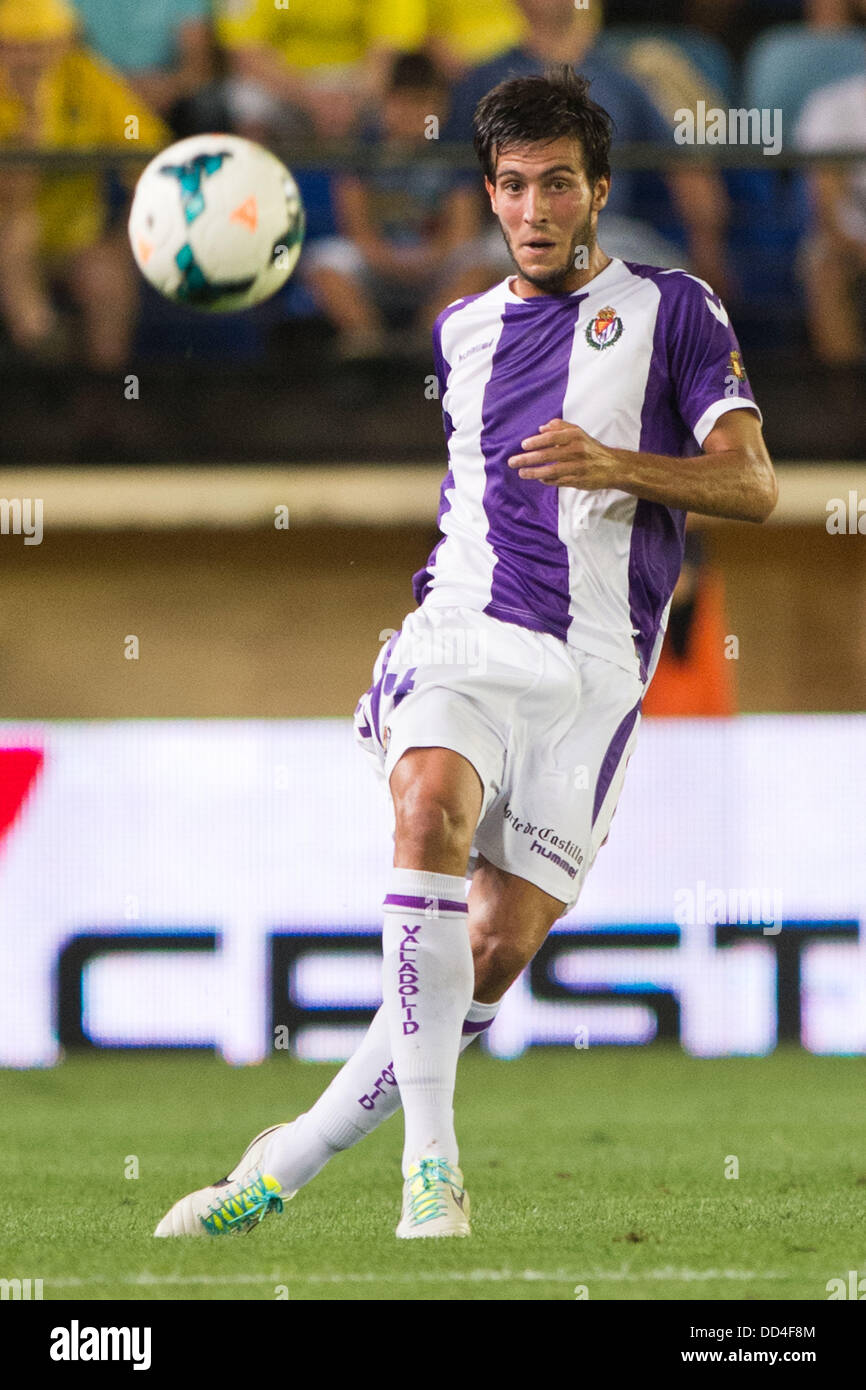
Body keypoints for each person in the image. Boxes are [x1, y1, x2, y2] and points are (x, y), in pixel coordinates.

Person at [154, 65, 777, 1241]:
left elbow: (750, 483)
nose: (533, 209)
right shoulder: (462, 327)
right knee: (428, 804)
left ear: (595, 191)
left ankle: (281, 1162)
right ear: (487, 196)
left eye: (555, 185)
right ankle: (430, 1169)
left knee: (483, 955)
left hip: (593, 679)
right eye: (510, 187)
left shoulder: (675, 310)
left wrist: (618, 466)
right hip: (463, 633)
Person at [0, 0, 168, 370]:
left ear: (65, 43)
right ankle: (40, 349)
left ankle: (102, 397)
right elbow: (13, 196)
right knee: (15, 233)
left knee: (107, 275)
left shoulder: (88, 78)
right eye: (14, 48)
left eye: (40, 47)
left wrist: (127, 239)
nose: (28, 61)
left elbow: (148, 153)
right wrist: (30, 126)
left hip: (75, 240)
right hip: (8, 240)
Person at [303, 51, 482, 359]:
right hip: (379, 263)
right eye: (403, 103)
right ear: (385, 102)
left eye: (424, 103)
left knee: (487, 260)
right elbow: (357, 230)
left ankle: (424, 344)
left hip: (439, 265)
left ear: (443, 105)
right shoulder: (362, 147)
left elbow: (462, 233)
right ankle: (370, 345)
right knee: (322, 262)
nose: (414, 115)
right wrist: (389, 261)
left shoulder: (456, 148)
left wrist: (429, 259)